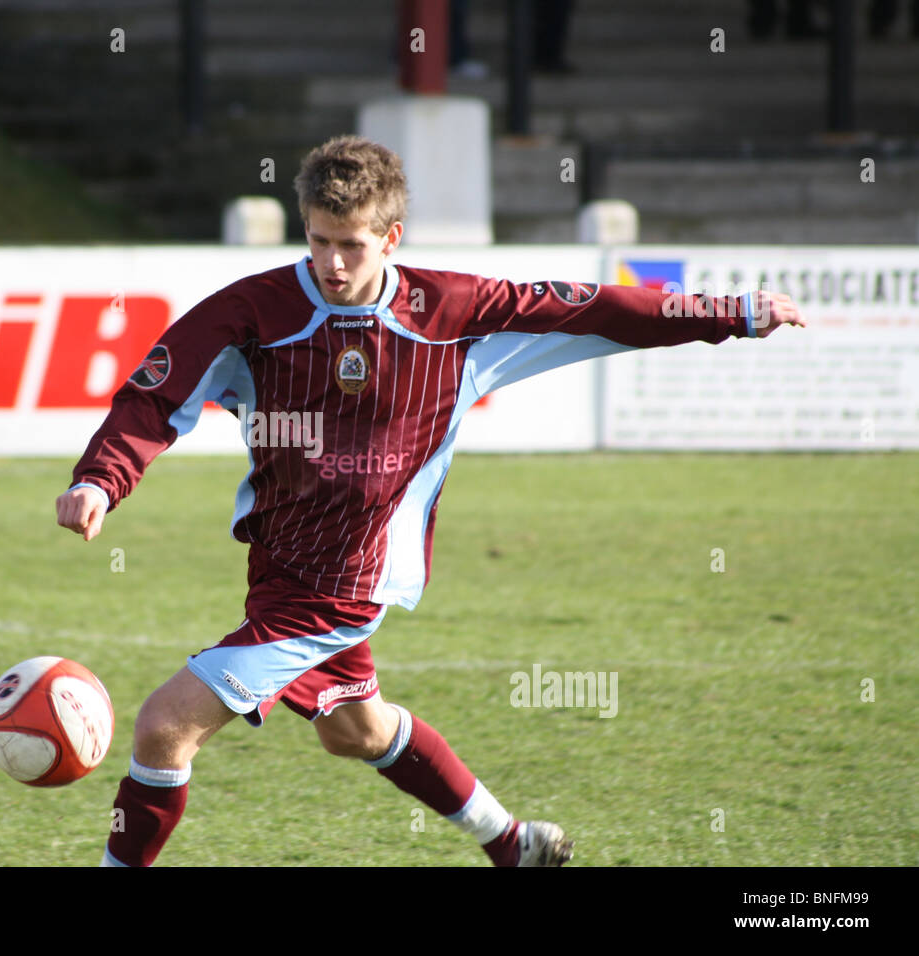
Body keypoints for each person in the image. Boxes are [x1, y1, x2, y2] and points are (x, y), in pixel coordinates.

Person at [56, 135, 806, 867]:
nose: (333, 263)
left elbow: (601, 310)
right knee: (356, 730)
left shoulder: (456, 315)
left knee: (163, 727)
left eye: (351, 244)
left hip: (346, 583)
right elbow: (156, 395)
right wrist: (101, 478)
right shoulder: (254, 313)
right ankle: (510, 842)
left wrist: (734, 314)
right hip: (279, 566)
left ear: (392, 237)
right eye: (318, 241)